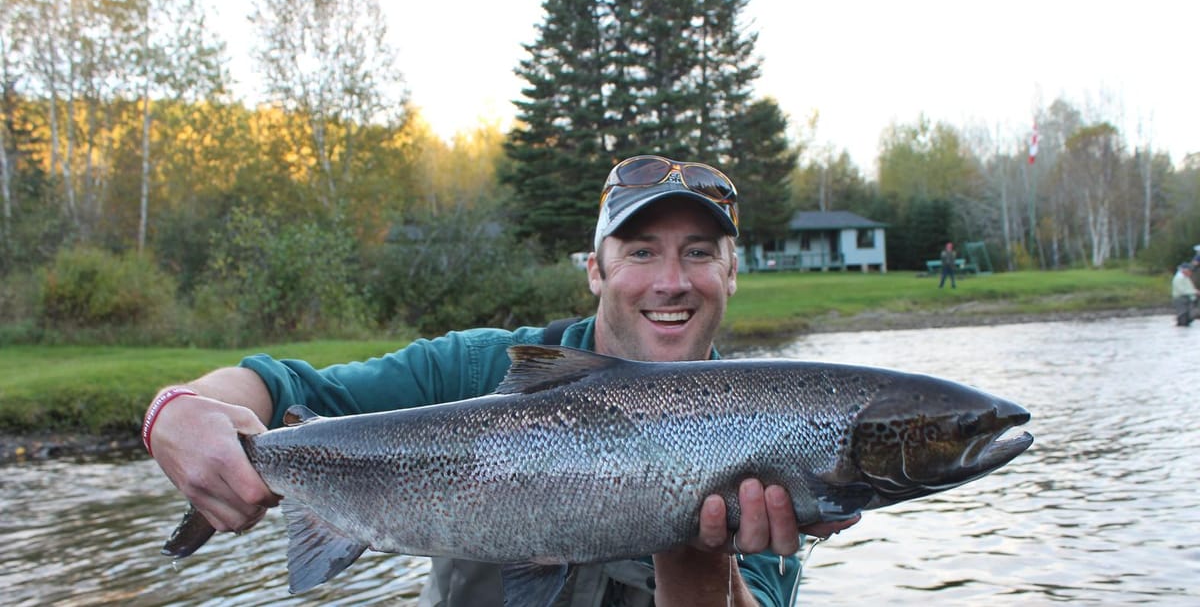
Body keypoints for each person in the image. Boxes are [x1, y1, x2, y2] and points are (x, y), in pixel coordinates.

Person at [145, 153, 859, 606]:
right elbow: (274, 384)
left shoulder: (772, 428)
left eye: (699, 253)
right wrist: (181, 412)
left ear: (733, 274)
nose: (671, 282)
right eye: (641, 250)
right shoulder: (476, 370)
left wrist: (700, 565)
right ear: (595, 269)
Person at [1172, 262, 1198, 327]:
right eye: (1190, 271)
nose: (1191, 272)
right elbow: (1182, 290)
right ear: (1185, 270)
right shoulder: (1178, 278)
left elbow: (1189, 287)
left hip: (1188, 298)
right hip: (1180, 299)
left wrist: (1194, 294)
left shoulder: (1186, 277)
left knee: (1190, 316)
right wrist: (1195, 292)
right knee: (1183, 318)